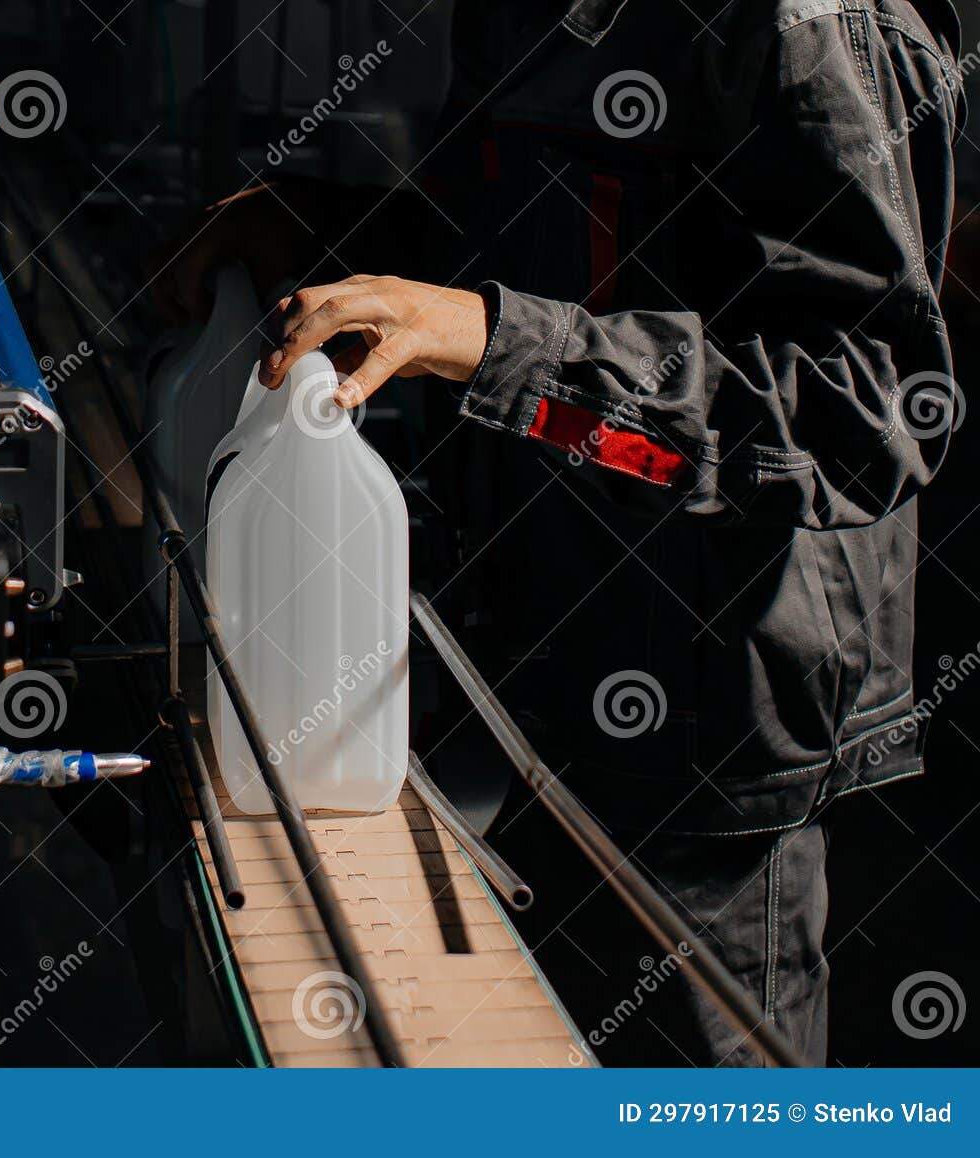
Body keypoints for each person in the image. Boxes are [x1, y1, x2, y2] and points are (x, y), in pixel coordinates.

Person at [158, 0, 963, 1065]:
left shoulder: (802, 24)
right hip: (536, 667)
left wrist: (505, 346)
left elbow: (868, 411)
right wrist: (323, 235)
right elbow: (517, 255)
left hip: (702, 717)